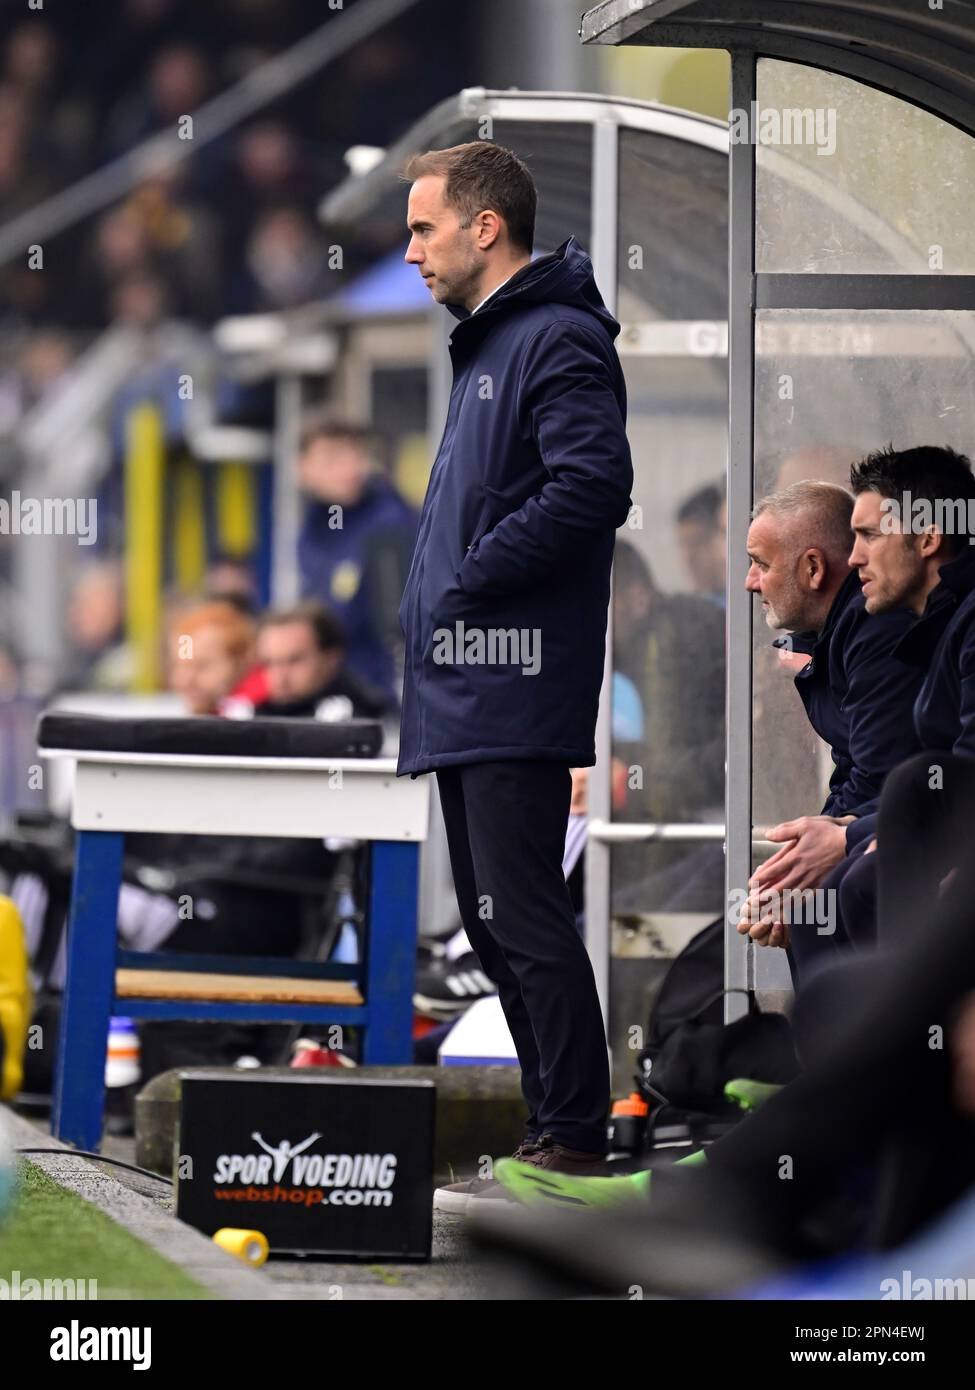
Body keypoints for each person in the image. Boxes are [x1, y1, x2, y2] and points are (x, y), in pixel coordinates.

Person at [396, 140, 633, 1207]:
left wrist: (475, 579)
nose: (412, 253)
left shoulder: (557, 338)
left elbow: (594, 487)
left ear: (484, 227)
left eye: (423, 228)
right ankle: (553, 1135)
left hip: (511, 679)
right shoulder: (497, 341)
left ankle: (575, 1135)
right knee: (495, 920)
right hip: (467, 683)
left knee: (525, 913)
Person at [737, 479, 922, 956]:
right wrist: (800, 866)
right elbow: (854, 770)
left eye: (760, 563)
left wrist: (807, 872)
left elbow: (881, 774)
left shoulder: (874, 624)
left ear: (814, 567)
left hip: (915, 837)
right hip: (887, 825)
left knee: (829, 903)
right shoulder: (831, 634)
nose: (750, 582)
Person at [297, 417, 417, 702]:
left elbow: (401, 629)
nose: (349, 467)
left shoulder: (391, 524)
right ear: (301, 468)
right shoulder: (311, 532)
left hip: (382, 701)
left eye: (356, 453)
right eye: (332, 458)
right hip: (335, 695)